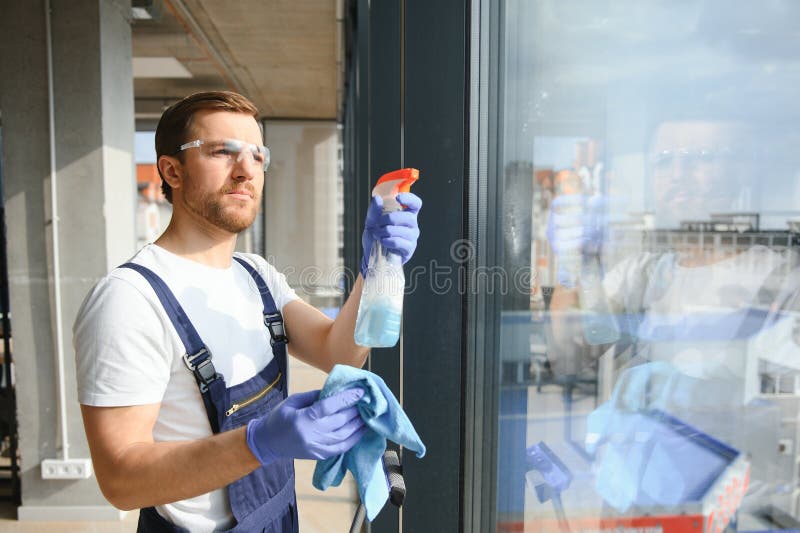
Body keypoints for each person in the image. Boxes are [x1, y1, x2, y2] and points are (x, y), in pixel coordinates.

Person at [73, 91, 422, 532]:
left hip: (280, 518)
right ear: (172, 170)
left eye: (258, 155)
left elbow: (337, 352)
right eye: (223, 151)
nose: (246, 170)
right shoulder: (129, 299)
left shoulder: (256, 274)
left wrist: (374, 270)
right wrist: (258, 443)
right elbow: (121, 481)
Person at [546, 118, 800, 516]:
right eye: (665, 161)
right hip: (636, 502)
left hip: (733, 507)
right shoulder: (643, 274)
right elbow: (569, 355)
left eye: (702, 158)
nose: (679, 174)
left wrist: (705, 398)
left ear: (743, 170)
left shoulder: (781, 281)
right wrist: (572, 262)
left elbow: (787, 417)